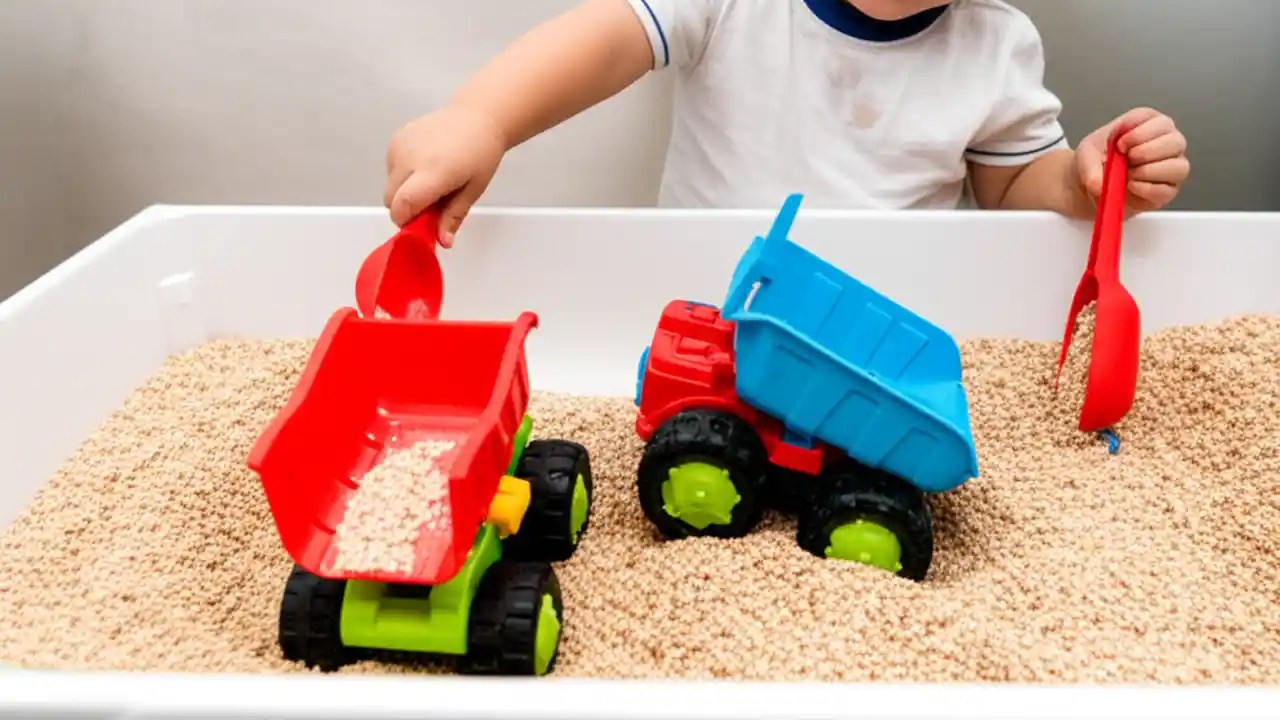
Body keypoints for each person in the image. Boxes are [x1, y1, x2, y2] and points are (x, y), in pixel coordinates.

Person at [383, 0, 1190, 247]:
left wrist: (1082, 182)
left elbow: (1011, 188)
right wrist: (480, 117)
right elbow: (604, 41)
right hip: (710, 302)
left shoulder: (995, 43)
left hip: (891, 324)